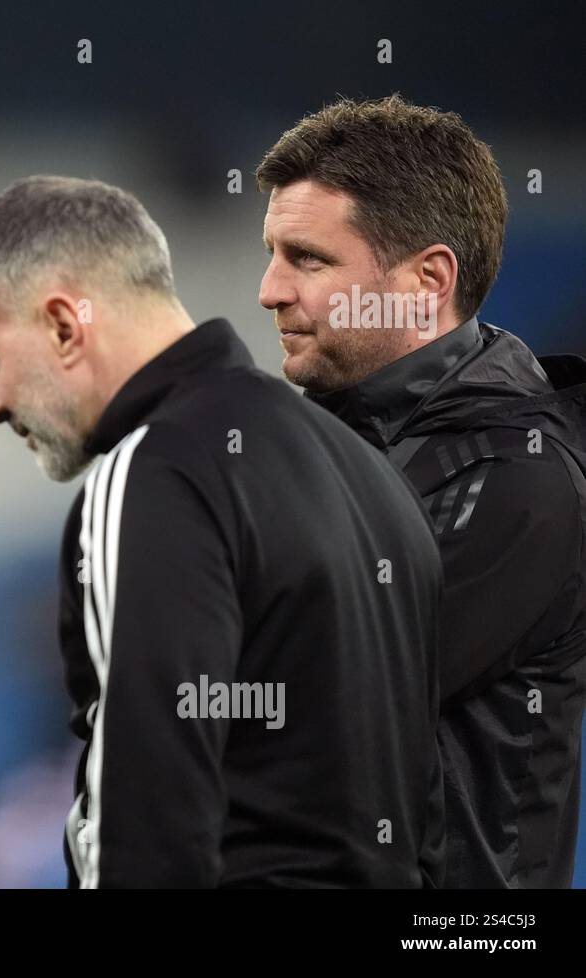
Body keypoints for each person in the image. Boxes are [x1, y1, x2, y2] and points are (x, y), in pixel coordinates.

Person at [0, 175, 445, 887]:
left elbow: (148, 814)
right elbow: (428, 808)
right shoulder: (372, 477)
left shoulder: (153, 472)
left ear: (64, 325)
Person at [257, 95, 586, 887]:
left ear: (427, 279)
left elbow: (305, 707)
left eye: (308, 259)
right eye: (271, 253)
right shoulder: (313, 450)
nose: (270, 289)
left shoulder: (520, 479)